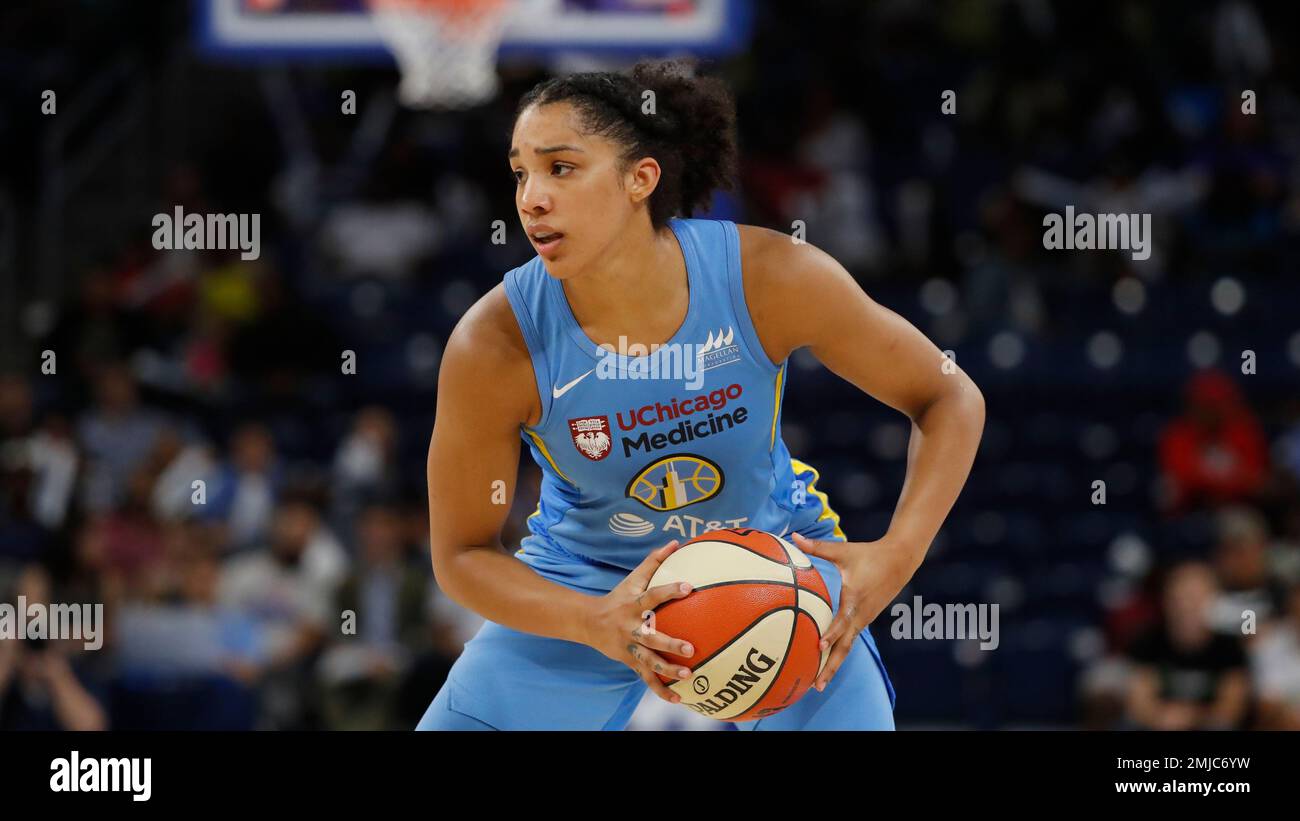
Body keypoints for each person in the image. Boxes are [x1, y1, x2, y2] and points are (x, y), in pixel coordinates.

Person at [417, 61, 985, 730]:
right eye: (521, 173)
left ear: (641, 178)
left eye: (560, 168)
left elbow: (949, 398)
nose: (531, 198)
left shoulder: (768, 277)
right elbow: (461, 554)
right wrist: (593, 620)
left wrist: (898, 553)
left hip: (774, 565)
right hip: (586, 581)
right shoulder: (493, 342)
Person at [1124, 562, 1250, 730]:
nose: (1186, 606)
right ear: (1166, 601)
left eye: (1195, 597)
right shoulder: (1148, 642)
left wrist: (1190, 717)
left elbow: (1231, 708)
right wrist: (1160, 717)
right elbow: (1139, 704)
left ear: (1214, 600)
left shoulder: (1230, 646)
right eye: (1179, 597)